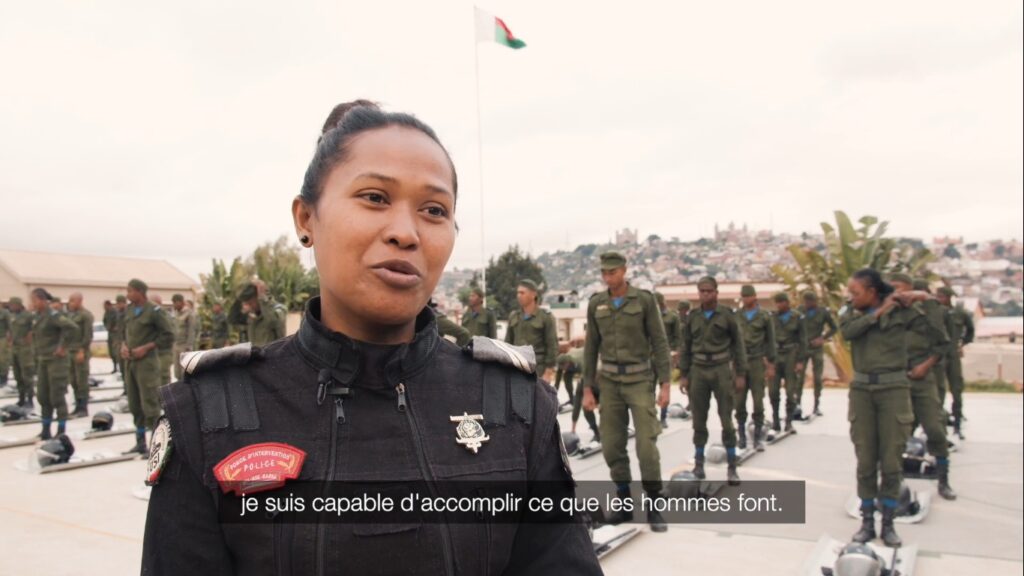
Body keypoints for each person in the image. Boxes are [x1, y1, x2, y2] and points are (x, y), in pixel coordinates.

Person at [142, 100, 601, 575]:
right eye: (375, 198)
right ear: (306, 219)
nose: (406, 233)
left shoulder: (515, 405)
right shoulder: (210, 416)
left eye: (434, 210)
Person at [581, 251, 671, 531]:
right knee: (611, 446)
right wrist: (587, 388)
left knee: (646, 445)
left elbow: (659, 342)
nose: (609, 277)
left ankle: (654, 506)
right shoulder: (597, 304)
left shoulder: (643, 301)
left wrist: (666, 384)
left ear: (624, 271)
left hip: (639, 380)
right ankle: (624, 504)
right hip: (609, 382)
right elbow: (591, 347)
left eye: (613, 272)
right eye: (605, 273)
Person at [842, 268, 926, 547]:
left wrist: (921, 299)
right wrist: (878, 313)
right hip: (863, 392)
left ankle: (888, 523)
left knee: (891, 462)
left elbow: (937, 333)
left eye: (855, 292)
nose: (851, 297)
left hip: (894, 390)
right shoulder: (851, 313)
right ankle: (867, 522)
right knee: (865, 461)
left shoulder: (902, 312)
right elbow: (848, 332)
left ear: (872, 292)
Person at [890, 275, 956, 500]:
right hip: (896, 379)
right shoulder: (886, 312)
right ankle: (894, 481)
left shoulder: (927, 313)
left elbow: (943, 344)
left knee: (935, 429)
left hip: (922, 377)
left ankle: (944, 479)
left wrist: (925, 366)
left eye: (903, 290)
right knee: (897, 434)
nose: (900, 295)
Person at [679, 276, 747, 485]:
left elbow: (738, 345)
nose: (705, 294)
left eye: (709, 291)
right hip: (698, 369)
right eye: (702, 291)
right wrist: (683, 374)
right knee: (699, 419)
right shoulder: (693, 317)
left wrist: (741, 373)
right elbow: (686, 346)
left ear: (717, 292)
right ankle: (699, 464)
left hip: (720, 369)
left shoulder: (727, 315)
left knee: (726, 419)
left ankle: (732, 467)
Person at [121, 279, 174, 454]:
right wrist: (123, 346)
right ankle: (140, 442)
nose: (127, 295)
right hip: (131, 363)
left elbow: (168, 335)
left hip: (147, 363)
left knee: (150, 404)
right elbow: (125, 332)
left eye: (130, 291)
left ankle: (157, 445)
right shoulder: (129, 310)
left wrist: (147, 347)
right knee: (134, 404)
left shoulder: (155, 311)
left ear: (139, 292)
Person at [29, 288, 78, 440]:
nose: (33, 303)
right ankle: (45, 429)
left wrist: (63, 347)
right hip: (43, 360)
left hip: (57, 362)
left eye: (35, 300)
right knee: (43, 396)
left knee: (57, 396)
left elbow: (72, 328)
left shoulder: (53, 315)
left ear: (43, 300)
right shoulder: (38, 316)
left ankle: (61, 430)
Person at [735, 284, 776, 451]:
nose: (745, 300)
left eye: (748, 296)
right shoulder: (736, 316)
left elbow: (770, 341)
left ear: (754, 297)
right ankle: (742, 436)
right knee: (739, 401)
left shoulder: (764, 316)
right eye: (743, 297)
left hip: (757, 361)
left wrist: (771, 364)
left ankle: (758, 436)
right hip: (740, 362)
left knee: (758, 401)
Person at [937, 286, 973, 439]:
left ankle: (957, 422)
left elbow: (970, 330)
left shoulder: (959, 313)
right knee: (938, 392)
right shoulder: (934, 312)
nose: (940, 299)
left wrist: (962, 344)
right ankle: (939, 423)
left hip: (953, 355)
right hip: (938, 356)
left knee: (957, 390)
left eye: (943, 296)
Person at [505, 278, 558, 382]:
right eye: (517, 293)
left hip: (538, 369)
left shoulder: (545, 317)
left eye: (522, 293)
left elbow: (552, 345)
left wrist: (548, 372)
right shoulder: (514, 316)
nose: (518, 296)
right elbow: (508, 344)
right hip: (517, 368)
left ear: (533, 295)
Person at [770, 292, 807, 432]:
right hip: (775, 354)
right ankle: (775, 420)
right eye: (777, 302)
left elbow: (803, 340)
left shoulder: (797, 317)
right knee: (773, 391)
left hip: (791, 353)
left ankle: (789, 421)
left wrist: (800, 361)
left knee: (791, 391)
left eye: (781, 302)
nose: (779, 305)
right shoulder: (771, 317)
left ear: (787, 302)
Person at [798, 290, 837, 416]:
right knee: (799, 378)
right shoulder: (799, 311)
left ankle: (816, 405)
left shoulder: (823, 312)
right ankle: (797, 405)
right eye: (806, 301)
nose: (808, 303)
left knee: (817, 378)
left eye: (811, 301)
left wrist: (823, 338)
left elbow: (834, 328)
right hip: (803, 348)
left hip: (816, 348)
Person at [230, 280, 287, 347]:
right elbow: (233, 319)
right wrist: (239, 297)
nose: (249, 306)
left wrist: (263, 298)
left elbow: (272, 321)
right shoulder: (252, 314)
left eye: (251, 303)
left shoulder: (279, 309)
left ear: (259, 297)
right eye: (247, 303)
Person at [560, 346, 599, 441]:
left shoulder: (580, 362)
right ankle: (597, 433)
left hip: (600, 376)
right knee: (586, 408)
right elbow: (577, 405)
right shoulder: (567, 366)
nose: (564, 370)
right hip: (587, 379)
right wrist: (572, 431)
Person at [66, 292, 95, 418]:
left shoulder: (85, 316)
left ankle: (83, 407)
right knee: (73, 380)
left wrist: (82, 350)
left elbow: (88, 335)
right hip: (70, 351)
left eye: (72, 300)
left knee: (81, 379)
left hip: (80, 351)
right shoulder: (70, 315)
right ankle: (77, 405)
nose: (69, 303)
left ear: (79, 301)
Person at [655, 291, 681, 428]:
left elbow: (678, 337)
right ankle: (651, 416)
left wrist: (676, 353)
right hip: (651, 356)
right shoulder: (650, 316)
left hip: (666, 356)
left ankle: (663, 417)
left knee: (665, 386)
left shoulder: (672, 317)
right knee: (647, 387)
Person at [8, 297, 36, 408]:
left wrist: (30, 337)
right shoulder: (12, 316)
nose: (11, 307)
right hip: (15, 348)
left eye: (13, 305)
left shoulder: (28, 315)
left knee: (27, 375)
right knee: (17, 374)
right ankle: (21, 398)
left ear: (19, 305)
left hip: (25, 349)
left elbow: (34, 328)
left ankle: (30, 399)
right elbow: (11, 329)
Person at [171, 294, 198, 380]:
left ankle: (187, 389)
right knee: (177, 371)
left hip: (184, 346)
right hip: (176, 345)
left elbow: (191, 331)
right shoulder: (176, 313)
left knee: (185, 370)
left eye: (175, 303)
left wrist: (188, 346)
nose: (174, 305)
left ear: (181, 302)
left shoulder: (189, 314)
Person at [151, 294, 175, 388]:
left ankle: (167, 400)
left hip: (164, 352)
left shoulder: (163, 315)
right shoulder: (154, 314)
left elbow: (170, 334)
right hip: (156, 352)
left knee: (163, 377)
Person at [111, 295, 128, 381]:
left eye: (119, 303)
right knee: (121, 367)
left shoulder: (128, 313)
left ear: (124, 303)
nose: (117, 306)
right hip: (119, 342)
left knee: (126, 368)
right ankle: (126, 388)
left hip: (127, 344)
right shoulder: (118, 314)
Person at [102, 300, 119, 374]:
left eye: (105, 306)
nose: (104, 308)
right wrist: (107, 327)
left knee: (116, 351)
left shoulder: (115, 311)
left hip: (116, 334)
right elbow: (104, 320)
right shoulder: (106, 312)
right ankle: (114, 367)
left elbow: (119, 321)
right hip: (110, 333)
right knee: (111, 351)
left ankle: (119, 367)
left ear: (109, 305)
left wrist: (116, 327)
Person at [0, 303, 10, 389]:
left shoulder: (4, 313)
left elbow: (10, 325)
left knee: (2, 359)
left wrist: (10, 337)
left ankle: (3, 377)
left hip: (2, 338)